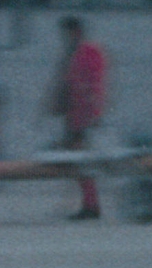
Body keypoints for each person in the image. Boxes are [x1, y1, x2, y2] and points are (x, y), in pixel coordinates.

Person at [45, 15, 108, 221]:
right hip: (75, 115)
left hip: (81, 116)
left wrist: (93, 112)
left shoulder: (86, 52)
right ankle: (89, 203)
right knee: (77, 160)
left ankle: (91, 205)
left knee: (80, 161)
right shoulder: (75, 52)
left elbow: (91, 84)